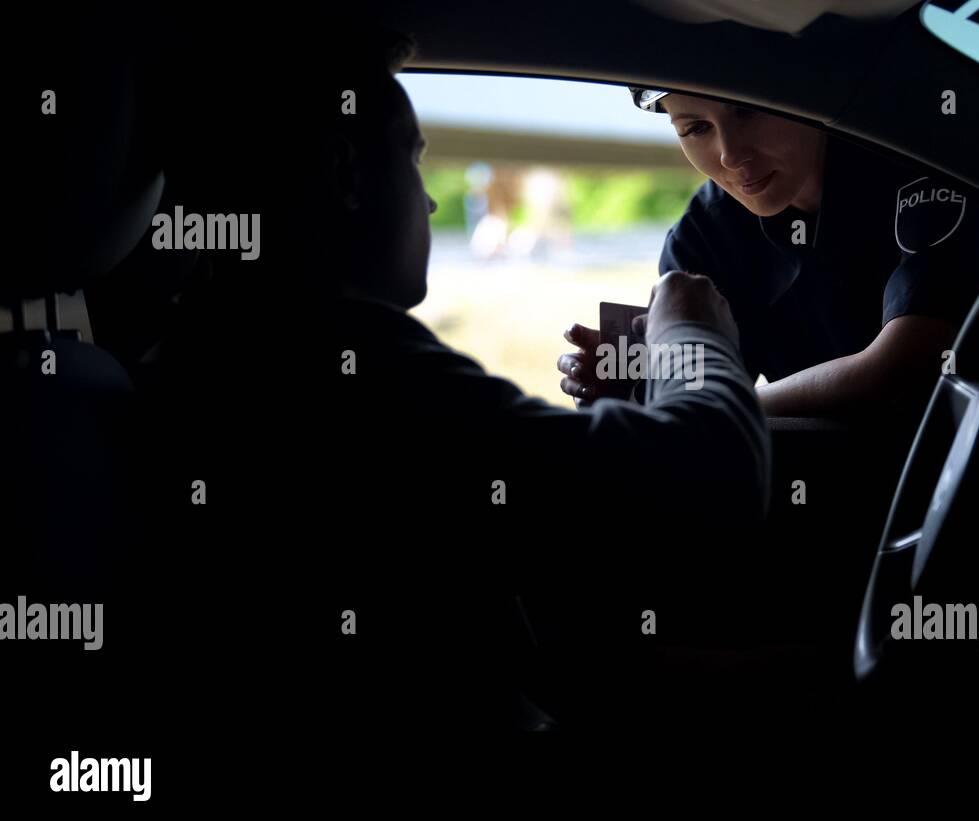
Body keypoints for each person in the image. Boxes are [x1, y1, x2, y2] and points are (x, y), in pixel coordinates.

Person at [158, 26, 772, 730]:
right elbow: (714, 478)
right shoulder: (345, 369)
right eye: (413, 162)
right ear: (345, 173)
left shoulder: (229, 354)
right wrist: (688, 331)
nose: (430, 203)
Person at [559, 88, 979, 418]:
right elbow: (690, 397)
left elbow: (906, 360)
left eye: (749, 107)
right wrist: (633, 386)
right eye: (695, 129)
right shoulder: (706, 233)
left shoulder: (914, 162)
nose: (732, 155)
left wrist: (720, 415)